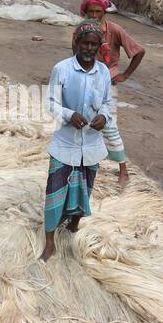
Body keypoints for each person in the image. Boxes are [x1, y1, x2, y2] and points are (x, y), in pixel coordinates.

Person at [41, 20, 113, 262]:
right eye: (85, 43)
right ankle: (50, 242)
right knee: (54, 193)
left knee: (84, 191)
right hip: (65, 144)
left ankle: (73, 226)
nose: (89, 48)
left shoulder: (103, 72)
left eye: (94, 44)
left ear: (99, 46)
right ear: (76, 43)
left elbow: (107, 101)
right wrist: (69, 115)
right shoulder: (62, 69)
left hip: (91, 144)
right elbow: (50, 103)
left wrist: (103, 115)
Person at [72, 0, 144, 186]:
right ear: (85, 12)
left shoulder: (114, 30)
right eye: (91, 12)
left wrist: (125, 75)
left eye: (98, 11)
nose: (94, 15)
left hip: (107, 83)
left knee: (109, 125)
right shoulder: (81, 30)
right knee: (85, 121)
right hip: (86, 81)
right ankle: (91, 162)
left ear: (104, 12)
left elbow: (139, 51)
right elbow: (75, 55)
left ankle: (123, 170)